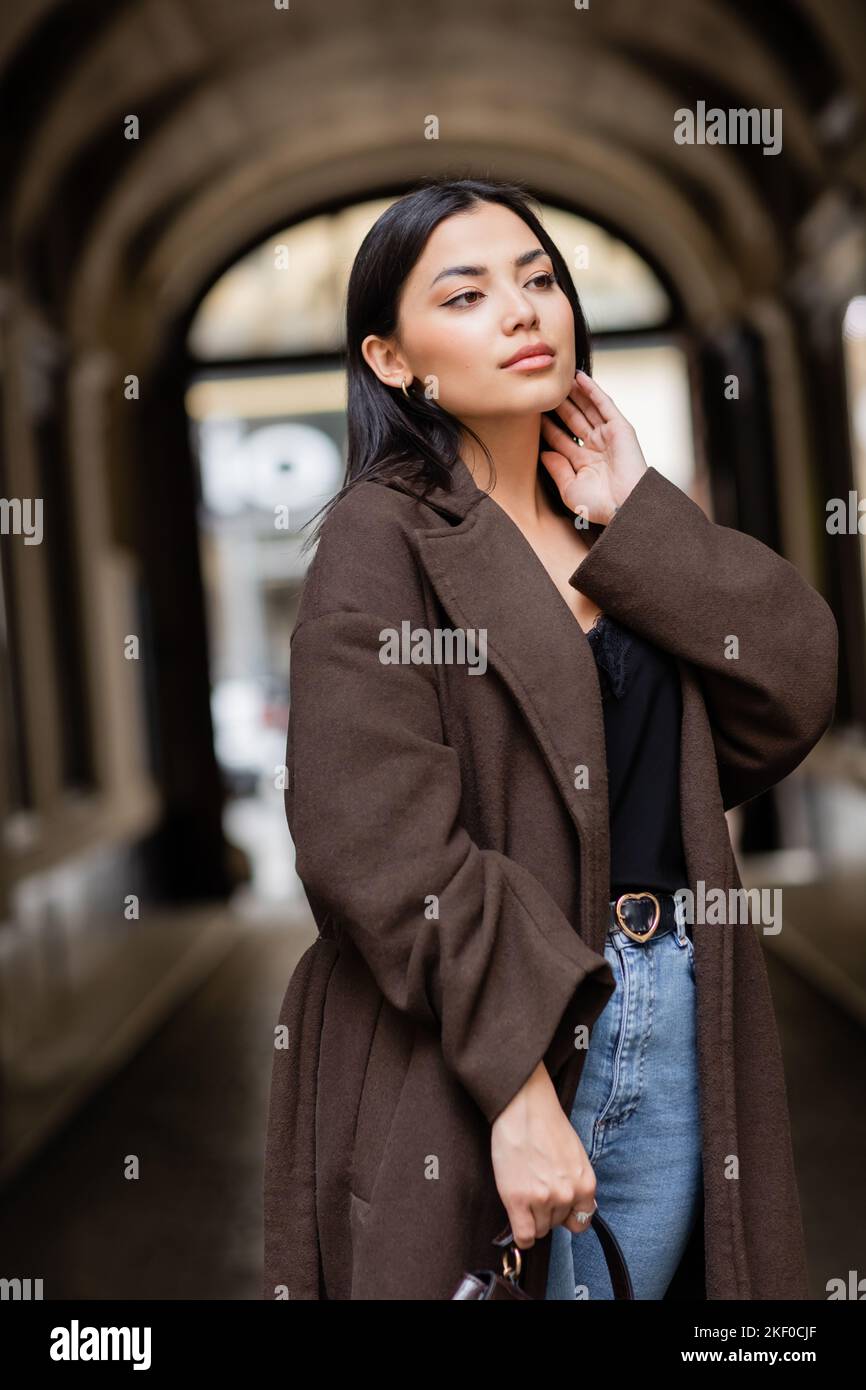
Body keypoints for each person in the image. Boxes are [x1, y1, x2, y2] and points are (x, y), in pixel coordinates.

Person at [262, 176, 837, 1301]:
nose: (522, 311)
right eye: (466, 294)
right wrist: (519, 1088)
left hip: (672, 1005)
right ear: (390, 359)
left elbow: (790, 683)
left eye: (537, 281)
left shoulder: (612, 526)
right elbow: (371, 846)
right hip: (483, 1038)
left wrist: (643, 514)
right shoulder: (383, 537)